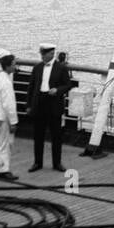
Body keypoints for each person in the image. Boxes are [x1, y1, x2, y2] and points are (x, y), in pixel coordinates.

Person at [26, 42, 69, 173]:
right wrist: (28, 105)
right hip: (40, 102)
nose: (43, 57)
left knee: (56, 135)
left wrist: (57, 90)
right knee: (38, 134)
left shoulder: (61, 68)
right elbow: (31, 87)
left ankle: (57, 163)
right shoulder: (37, 68)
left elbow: (67, 85)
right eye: (43, 54)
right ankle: (37, 162)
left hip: (54, 103)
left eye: (46, 54)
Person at [0, 53, 19, 181]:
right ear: (8, 66)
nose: (15, 66)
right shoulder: (6, 82)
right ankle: (4, 170)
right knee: (5, 144)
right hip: (4, 117)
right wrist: (13, 121)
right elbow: (9, 104)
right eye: (13, 64)